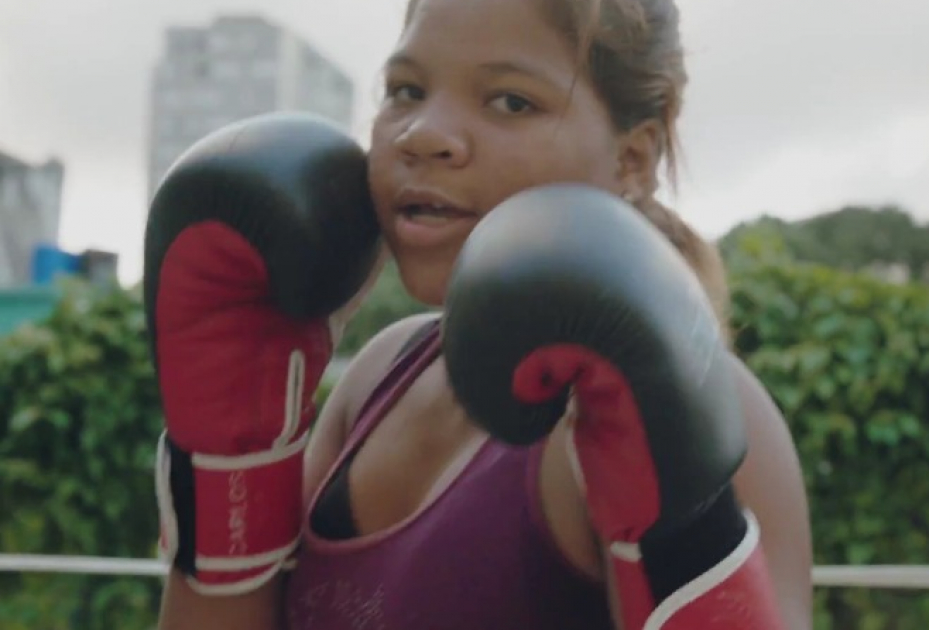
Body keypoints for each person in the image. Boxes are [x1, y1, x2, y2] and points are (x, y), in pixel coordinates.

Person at [149, 0, 814, 627]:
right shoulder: (380, 372)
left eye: (510, 100)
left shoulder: (710, 409)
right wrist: (227, 463)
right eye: (406, 89)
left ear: (632, 160)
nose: (424, 134)